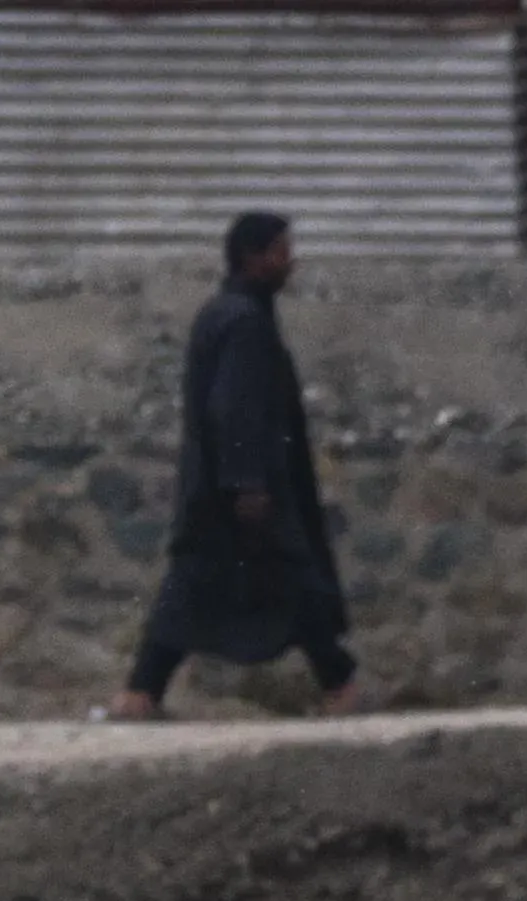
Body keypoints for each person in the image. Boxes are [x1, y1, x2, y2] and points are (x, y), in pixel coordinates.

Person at [114, 214, 357, 722]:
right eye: (281, 250)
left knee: (275, 585)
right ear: (253, 256)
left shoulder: (232, 314)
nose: (291, 260)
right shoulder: (243, 323)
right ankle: (339, 686)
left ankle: (142, 693)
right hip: (240, 490)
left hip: (227, 485)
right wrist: (247, 482)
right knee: (274, 579)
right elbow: (235, 406)